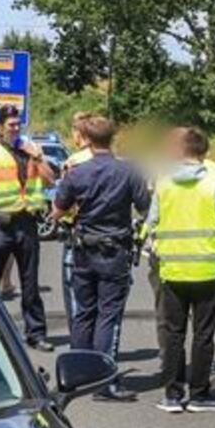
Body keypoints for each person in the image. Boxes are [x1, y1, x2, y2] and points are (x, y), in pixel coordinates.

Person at [48, 116, 145, 399]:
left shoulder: (77, 173)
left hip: (83, 250)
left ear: (87, 140)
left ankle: (79, 376)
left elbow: (58, 210)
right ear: (113, 138)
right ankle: (105, 383)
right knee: (109, 316)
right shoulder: (129, 172)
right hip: (115, 249)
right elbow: (145, 207)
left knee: (84, 313)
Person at [147, 126, 215, 414]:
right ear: (203, 151)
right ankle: (199, 393)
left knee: (173, 333)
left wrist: (159, 250)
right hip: (207, 269)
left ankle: (172, 394)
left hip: (172, 269)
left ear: (180, 150)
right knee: (203, 334)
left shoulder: (163, 179)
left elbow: (152, 223)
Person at [0, 115, 55, 349]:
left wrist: (37, 157)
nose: (16, 128)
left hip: (27, 223)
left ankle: (36, 334)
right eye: (11, 125)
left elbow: (50, 181)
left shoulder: (31, 150)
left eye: (19, 124)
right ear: (1, 128)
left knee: (30, 283)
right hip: (1, 225)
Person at [57, 113, 96, 328]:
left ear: (79, 135)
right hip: (107, 235)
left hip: (77, 233)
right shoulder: (112, 162)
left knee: (76, 296)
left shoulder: (73, 163)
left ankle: (80, 341)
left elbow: (64, 204)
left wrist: (56, 216)